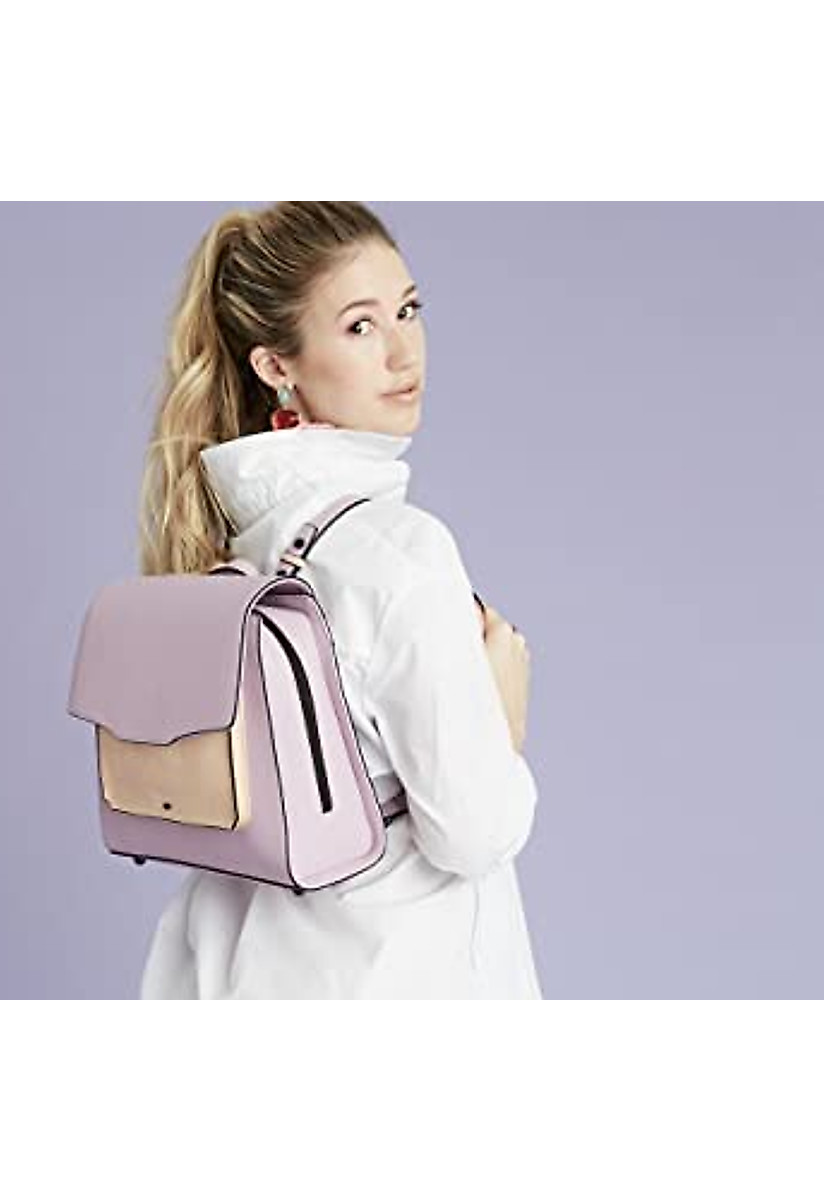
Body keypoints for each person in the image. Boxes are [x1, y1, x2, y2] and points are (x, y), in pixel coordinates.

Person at [134, 201, 542, 999]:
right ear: (275, 366)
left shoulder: (233, 553)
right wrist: (504, 717)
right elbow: (475, 833)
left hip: (231, 966)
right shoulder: (401, 551)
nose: (402, 350)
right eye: (360, 326)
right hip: (393, 977)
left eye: (409, 310)